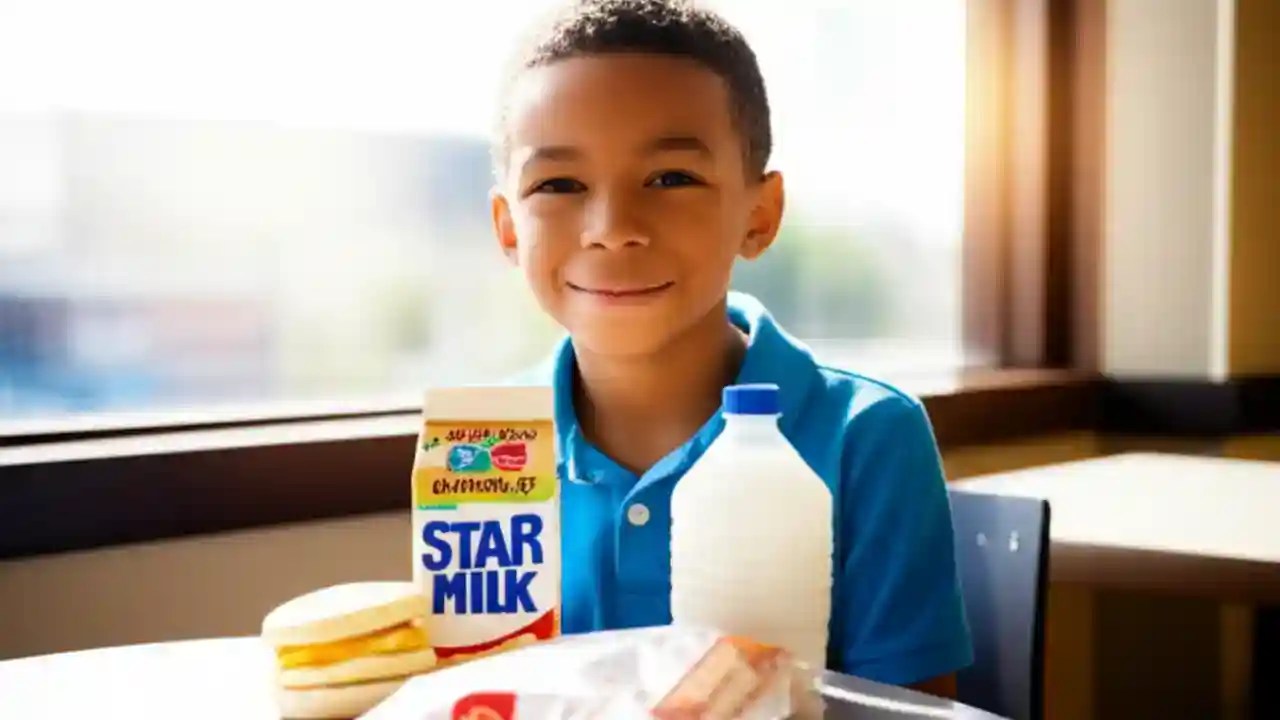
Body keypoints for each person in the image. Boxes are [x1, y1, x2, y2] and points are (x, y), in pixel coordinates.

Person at [490, 0, 972, 696]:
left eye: (671, 179)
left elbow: (909, 712)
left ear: (760, 214)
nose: (612, 228)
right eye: (559, 185)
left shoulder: (866, 436)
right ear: (508, 228)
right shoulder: (481, 443)